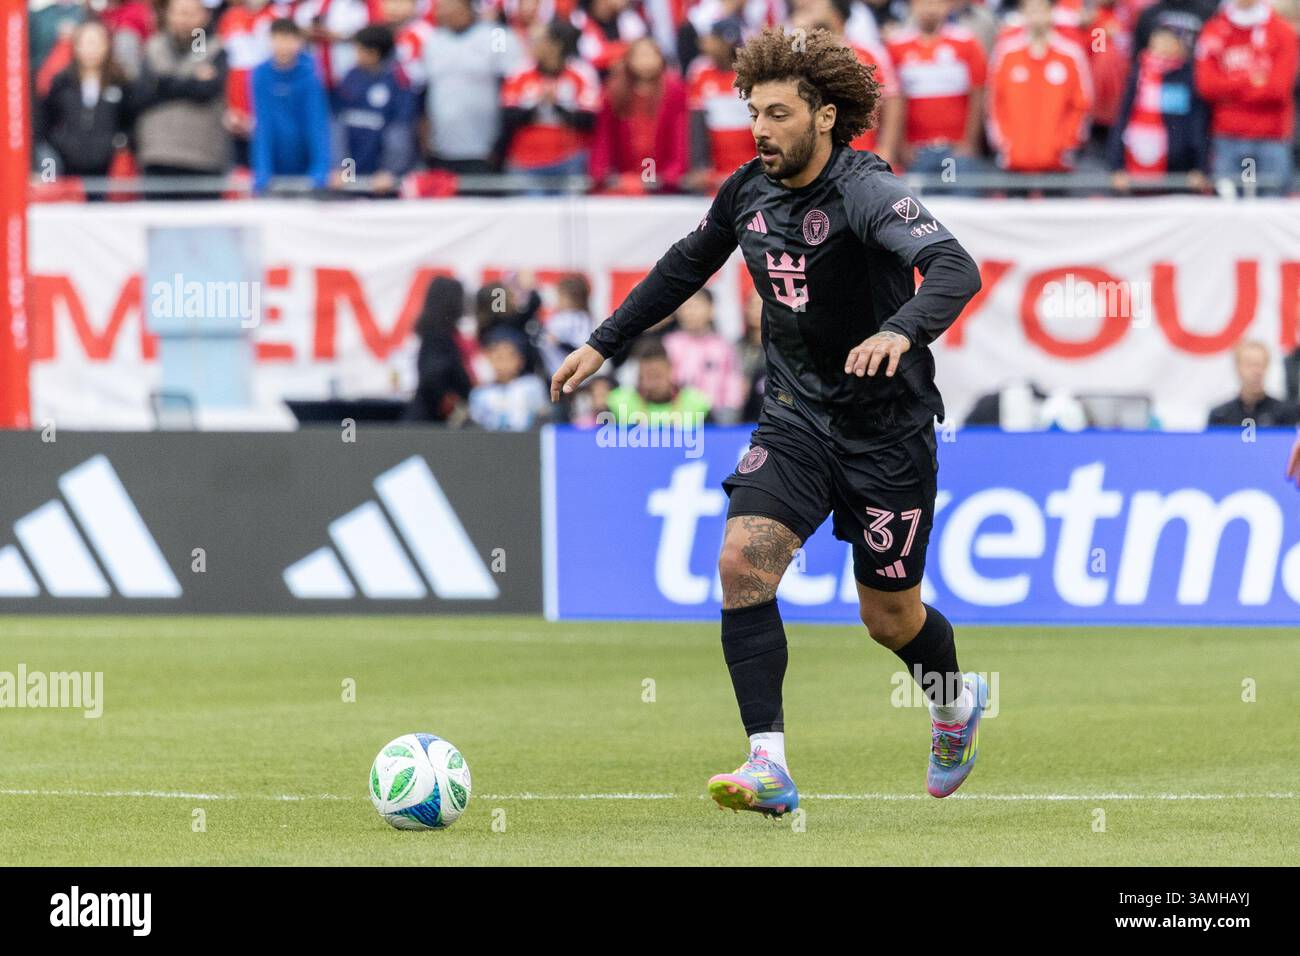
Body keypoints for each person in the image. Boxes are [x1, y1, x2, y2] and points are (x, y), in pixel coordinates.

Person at [551, 26, 986, 817]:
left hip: (887, 431)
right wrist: (603, 343)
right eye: (753, 111)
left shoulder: (866, 192)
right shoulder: (746, 189)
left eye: (778, 114)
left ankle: (955, 704)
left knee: (889, 617)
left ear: (824, 116)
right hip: (793, 417)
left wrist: (900, 329)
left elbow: (956, 267)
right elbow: (687, 263)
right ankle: (769, 765)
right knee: (741, 562)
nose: (759, 129)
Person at [1195, 0, 1299, 196]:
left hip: (1271, 138)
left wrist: (1229, 88)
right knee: (1231, 216)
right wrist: (1251, 81)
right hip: (1228, 137)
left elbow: (1278, 90)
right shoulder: (1214, 30)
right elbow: (1207, 86)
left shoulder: (1282, 31)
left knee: (1271, 216)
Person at [134, 0, 230, 195]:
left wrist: (162, 83)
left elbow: (206, 90)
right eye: (178, 13)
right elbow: (141, 93)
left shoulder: (210, 46)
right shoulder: (154, 46)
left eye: (190, 13)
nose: (183, 20)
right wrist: (191, 79)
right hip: (158, 156)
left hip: (203, 158)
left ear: (205, 16)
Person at [986, 0, 1092, 173]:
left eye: (1041, 10)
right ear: (1023, 13)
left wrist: (1066, 144)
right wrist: (1005, 144)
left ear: (1052, 12)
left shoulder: (1071, 54)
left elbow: (1082, 104)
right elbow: (994, 103)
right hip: (1013, 162)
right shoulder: (1006, 53)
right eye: (1031, 10)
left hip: (1058, 164)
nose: (1036, 17)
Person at [887, 0, 986, 175]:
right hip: (916, 151)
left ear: (948, 6)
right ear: (912, 6)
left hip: (955, 149)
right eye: (923, 3)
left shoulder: (966, 42)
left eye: (936, 3)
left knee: (959, 201)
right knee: (917, 201)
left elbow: (978, 94)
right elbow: (893, 100)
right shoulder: (896, 46)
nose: (930, 9)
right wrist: (901, 145)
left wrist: (969, 142)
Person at [499, 20, 600, 191]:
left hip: (569, 160)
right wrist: (538, 105)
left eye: (538, 41)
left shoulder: (581, 73)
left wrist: (557, 107)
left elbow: (589, 121)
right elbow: (508, 118)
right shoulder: (519, 73)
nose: (532, 45)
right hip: (526, 161)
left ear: (556, 45)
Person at [1108, 25, 1209, 189]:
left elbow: (1197, 124)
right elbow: (1123, 118)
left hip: (1179, 168)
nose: (1162, 48)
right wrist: (1116, 167)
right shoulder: (1138, 75)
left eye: (1168, 42)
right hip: (1136, 164)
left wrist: (1200, 167)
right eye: (1157, 43)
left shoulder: (1189, 76)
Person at [37, 19, 135, 179]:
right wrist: (59, 143)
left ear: (107, 46)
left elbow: (129, 121)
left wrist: (117, 143)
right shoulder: (61, 83)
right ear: (76, 46)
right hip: (66, 167)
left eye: (97, 43)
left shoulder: (120, 83)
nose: (91, 49)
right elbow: (46, 121)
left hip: (106, 170)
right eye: (86, 43)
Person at [250, 18, 332, 195]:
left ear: (299, 42)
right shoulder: (260, 75)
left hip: (306, 166)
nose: (283, 46)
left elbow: (316, 124)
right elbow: (263, 126)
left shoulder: (311, 76)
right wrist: (262, 172)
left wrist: (319, 170)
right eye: (278, 39)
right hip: (275, 168)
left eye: (288, 39)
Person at [333, 24, 418, 194]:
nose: (356, 56)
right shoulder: (351, 77)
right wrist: (345, 169)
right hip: (352, 176)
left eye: (359, 50)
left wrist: (389, 171)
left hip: (382, 181)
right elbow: (342, 127)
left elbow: (399, 132)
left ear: (374, 53)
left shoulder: (398, 82)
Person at [662, 288, 745, 421]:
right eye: (686, 307)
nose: (690, 313)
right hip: (676, 418)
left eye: (696, 306)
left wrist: (729, 412)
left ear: (711, 310)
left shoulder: (723, 347)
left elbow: (733, 385)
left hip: (715, 420)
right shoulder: (669, 344)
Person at [605, 340, 712, 424]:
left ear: (670, 370)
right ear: (639, 375)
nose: (653, 383)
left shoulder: (696, 403)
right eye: (648, 376)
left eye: (657, 376)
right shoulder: (620, 403)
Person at [469, 328, 550, 431]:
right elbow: (476, 425)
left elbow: (543, 417)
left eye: (510, 357)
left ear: (520, 360)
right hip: (491, 444)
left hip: (527, 442)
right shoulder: (479, 393)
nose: (504, 364)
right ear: (488, 358)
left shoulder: (532, 385)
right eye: (499, 357)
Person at [1206, 340, 1300, 427]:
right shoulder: (1220, 415)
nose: (1256, 371)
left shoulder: (1285, 413)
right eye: (1250, 365)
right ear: (1238, 368)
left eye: (1260, 364)